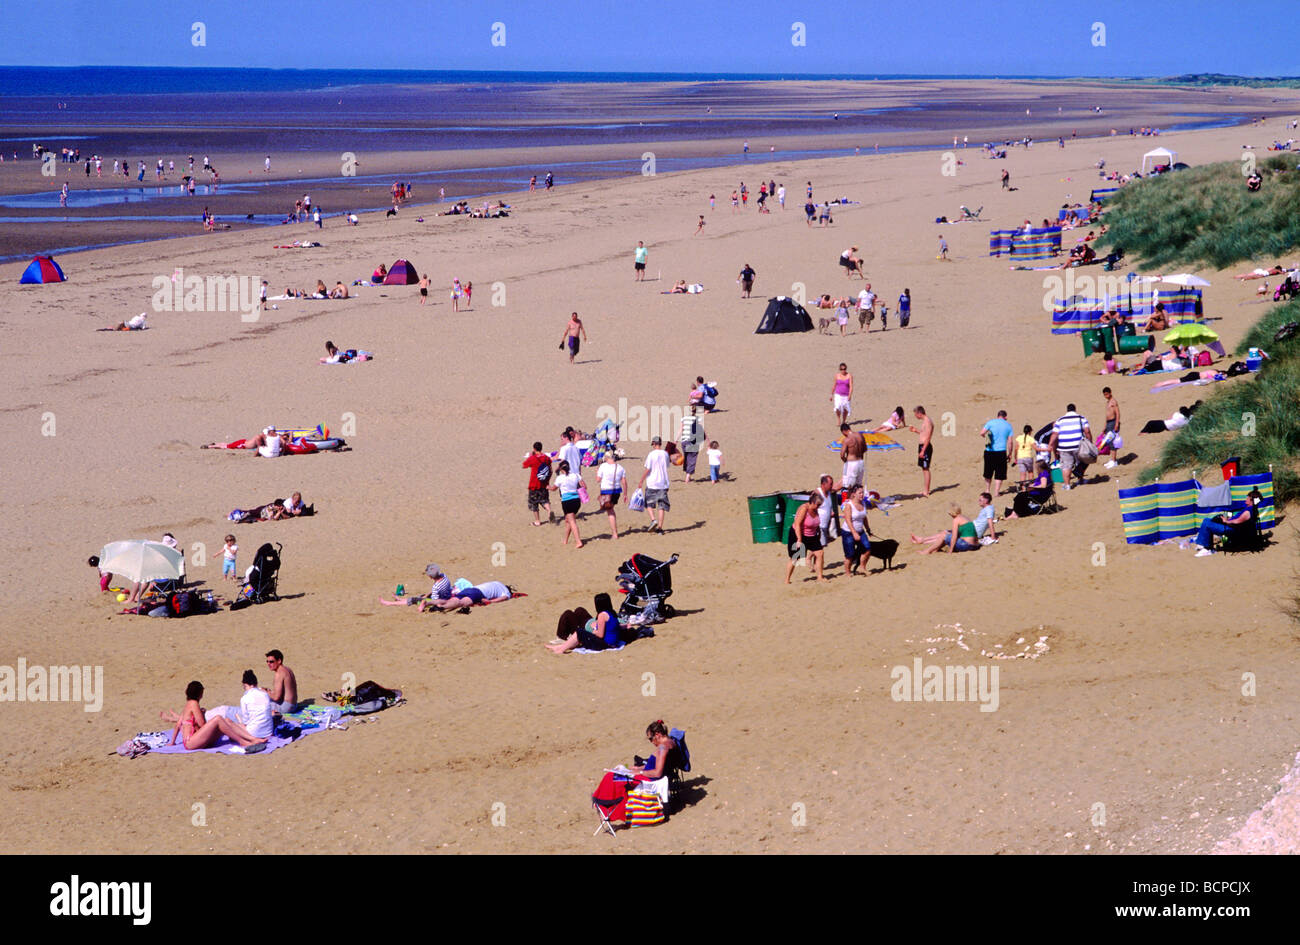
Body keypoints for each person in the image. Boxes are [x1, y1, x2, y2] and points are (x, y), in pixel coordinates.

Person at [165, 681, 266, 750]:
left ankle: (252, 739)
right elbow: (202, 724)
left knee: (226, 721)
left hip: (193, 742)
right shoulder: (193, 704)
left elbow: (178, 725)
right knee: (218, 719)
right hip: (191, 742)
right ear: (200, 694)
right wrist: (202, 713)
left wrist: (173, 742)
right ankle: (243, 741)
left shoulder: (187, 705)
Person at [546, 593, 623, 653]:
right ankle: (560, 647)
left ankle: (560, 649)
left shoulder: (602, 615)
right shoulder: (612, 613)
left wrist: (593, 630)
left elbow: (600, 635)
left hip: (606, 645)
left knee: (579, 632)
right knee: (579, 612)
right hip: (612, 643)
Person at [1194, 489, 1263, 557]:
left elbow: (1238, 521)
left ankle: (1208, 549)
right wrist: (1228, 518)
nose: (1246, 498)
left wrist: (1226, 521)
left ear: (1252, 500)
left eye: (1248, 497)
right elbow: (1236, 518)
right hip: (1230, 526)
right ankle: (1203, 543)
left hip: (1231, 529)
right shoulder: (1248, 508)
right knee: (1206, 520)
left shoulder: (1248, 512)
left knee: (1207, 524)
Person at [785, 491, 826, 584]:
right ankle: (787, 580)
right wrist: (799, 539)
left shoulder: (815, 509)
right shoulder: (804, 509)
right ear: (812, 502)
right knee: (795, 558)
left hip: (812, 535)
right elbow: (798, 524)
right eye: (817, 505)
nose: (818, 507)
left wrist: (818, 533)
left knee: (820, 553)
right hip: (799, 534)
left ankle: (820, 577)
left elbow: (816, 523)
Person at [1049, 403, 1092, 490]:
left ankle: (1067, 485)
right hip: (1078, 445)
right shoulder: (1081, 418)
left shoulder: (1060, 420)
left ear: (1067, 410)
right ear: (1075, 409)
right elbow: (1087, 431)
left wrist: (1050, 445)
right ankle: (1080, 480)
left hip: (1064, 447)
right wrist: (1090, 442)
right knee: (1080, 463)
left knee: (1066, 466)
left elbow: (1055, 434)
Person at [911, 504, 980, 554]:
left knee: (944, 536)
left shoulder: (956, 520)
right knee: (946, 532)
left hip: (967, 545)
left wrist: (950, 550)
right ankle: (925, 542)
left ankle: (927, 551)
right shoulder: (966, 518)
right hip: (974, 545)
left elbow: (954, 537)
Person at [548, 460, 585, 549]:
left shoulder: (560, 478)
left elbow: (554, 489)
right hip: (576, 500)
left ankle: (578, 541)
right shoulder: (576, 475)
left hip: (567, 501)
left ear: (561, 468)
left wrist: (548, 487)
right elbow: (584, 486)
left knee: (572, 521)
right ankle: (565, 540)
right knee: (568, 520)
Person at [638, 436, 671, 533]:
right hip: (663, 483)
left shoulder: (651, 454)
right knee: (661, 506)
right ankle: (660, 528)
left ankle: (653, 520)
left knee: (649, 504)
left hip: (652, 483)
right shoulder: (665, 454)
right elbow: (667, 465)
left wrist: (641, 480)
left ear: (654, 443)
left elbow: (648, 468)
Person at [978, 410, 1014, 496]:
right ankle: (996, 492)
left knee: (988, 471)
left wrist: (986, 437)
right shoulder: (1008, 425)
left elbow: (982, 433)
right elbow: (1010, 442)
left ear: (998, 416)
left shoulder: (991, 422)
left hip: (989, 451)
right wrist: (1010, 453)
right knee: (999, 473)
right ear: (1005, 417)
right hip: (1001, 452)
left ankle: (987, 490)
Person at [839, 484, 873, 576]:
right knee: (850, 554)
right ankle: (847, 572)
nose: (862, 495)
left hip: (860, 531)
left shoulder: (863, 503)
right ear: (854, 494)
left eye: (863, 493)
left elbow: (864, 518)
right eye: (860, 493)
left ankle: (862, 567)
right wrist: (854, 533)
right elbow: (848, 520)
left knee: (867, 548)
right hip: (848, 532)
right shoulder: (849, 505)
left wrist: (868, 529)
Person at [424, 580, 514, 611]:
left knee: (451, 600)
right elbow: (504, 597)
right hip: (478, 594)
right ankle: (441, 608)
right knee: (460, 603)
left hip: (470, 589)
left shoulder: (497, 582)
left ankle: (428, 603)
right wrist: (491, 601)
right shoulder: (507, 592)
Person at [596, 450, 626, 538]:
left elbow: (598, 480)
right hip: (616, 491)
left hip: (606, 491)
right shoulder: (620, 467)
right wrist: (625, 494)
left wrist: (597, 472)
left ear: (607, 457)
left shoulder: (603, 466)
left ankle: (614, 533)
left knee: (610, 511)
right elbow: (624, 482)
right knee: (611, 509)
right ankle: (614, 532)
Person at [237, 670, 275, 739]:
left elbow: (245, 721)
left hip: (254, 733)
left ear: (245, 685)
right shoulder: (265, 694)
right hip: (269, 731)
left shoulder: (244, 698)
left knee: (233, 725)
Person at [523, 441, 553, 525]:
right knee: (545, 500)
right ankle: (549, 510)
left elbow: (524, 465)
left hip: (534, 484)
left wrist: (530, 456)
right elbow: (551, 470)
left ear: (534, 449)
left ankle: (537, 521)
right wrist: (547, 481)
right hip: (544, 483)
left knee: (534, 504)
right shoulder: (546, 458)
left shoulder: (532, 458)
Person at [908, 407, 934, 497]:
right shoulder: (925, 421)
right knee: (924, 468)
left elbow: (928, 437)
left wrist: (923, 450)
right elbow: (923, 434)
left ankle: (926, 491)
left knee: (926, 469)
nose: (915, 416)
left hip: (925, 447)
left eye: (915, 414)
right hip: (923, 446)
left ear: (919, 413)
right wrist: (915, 431)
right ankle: (925, 490)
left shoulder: (928, 422)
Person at [678, 406, 706, 482]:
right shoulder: (698, 419)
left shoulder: (684, 418)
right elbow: (700, 429)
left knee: (686, 457)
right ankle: (688, 476)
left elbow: (681, 429)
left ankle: (688, 475)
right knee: (692, 458)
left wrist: (676, 440)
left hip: (684, 441)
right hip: (693, 441)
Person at [840, 423, 866, 490]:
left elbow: (842, 455)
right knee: (858, 485)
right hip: (860, 462)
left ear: (843, 431)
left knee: (848, 486)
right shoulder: (860, 436)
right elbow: (865, 449)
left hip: (851, 463)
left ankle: (847, 500)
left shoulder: (847, 440)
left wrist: (845, 461)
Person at [1011, 424, 1036, 490]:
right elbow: (1035, 447)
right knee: (1030, 473)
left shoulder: (1019, 438)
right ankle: (1030, 487)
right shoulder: (1031, 438)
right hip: (1028, 457)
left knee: (1022, 474)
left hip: (1020, 457)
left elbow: (1016, 449)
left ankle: (1023, 488)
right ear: (1030, 431)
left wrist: (1015, 457)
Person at [1102, 387, 1122, 468]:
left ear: (1110, 393)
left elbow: (1117, 413)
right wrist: (1105, 426)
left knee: (1112, 441)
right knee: (1109, 441)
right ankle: (1112, 459)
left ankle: (1114, 461)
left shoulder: (1113, 402)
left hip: (1113, 422)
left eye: (1107, 394)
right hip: (1109, 423)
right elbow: (1107, 415)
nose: (1106, 396)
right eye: (1104, 394)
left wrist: (1116, 424)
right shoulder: (1108, 402)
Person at [831, 363, 853, 427]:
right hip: (838, 394)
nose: (843, 370)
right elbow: (834, 385)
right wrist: (831, 395)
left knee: (845, 408)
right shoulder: (837, 376)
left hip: (846, 395)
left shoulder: (849, 376)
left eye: (844, 369)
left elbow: (851, 386)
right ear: (840, 369)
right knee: (837, 407)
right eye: (841, 369)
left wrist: (850, 395)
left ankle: (844, 421)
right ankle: (838, 420)